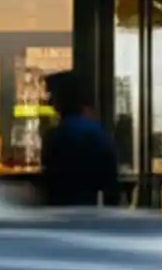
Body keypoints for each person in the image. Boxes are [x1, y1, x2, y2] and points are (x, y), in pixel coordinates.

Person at [38, 70, 120, 207]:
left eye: (51, 95)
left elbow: (48, 181)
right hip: (88, 210)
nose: (49, 102)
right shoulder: (97, 132)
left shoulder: (56, 135)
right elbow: (110, 181)